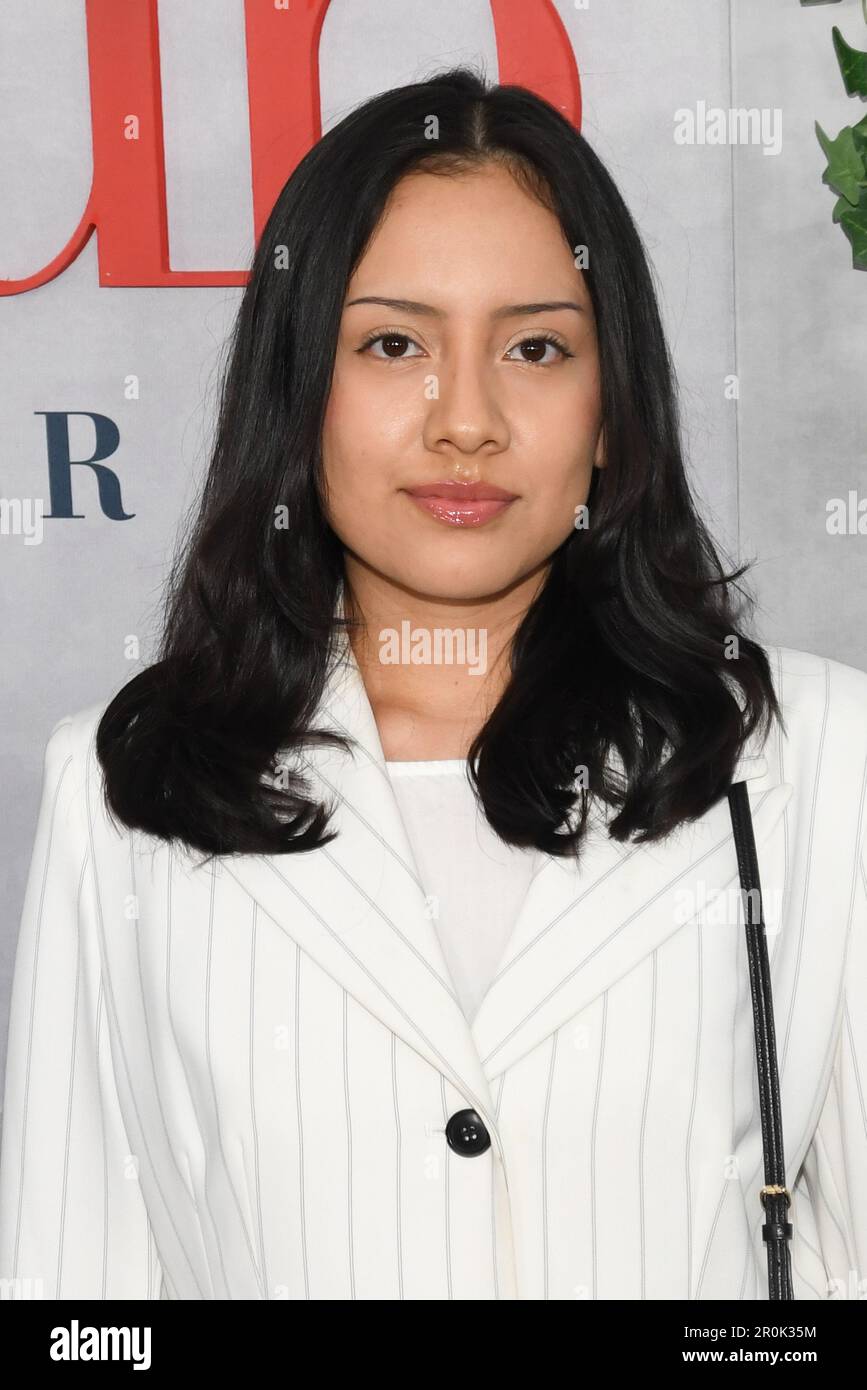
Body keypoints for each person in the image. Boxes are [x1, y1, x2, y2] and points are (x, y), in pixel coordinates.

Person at [1, 65, 865, 1302]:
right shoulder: (122, 788)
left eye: (536, 346)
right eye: (395, 342)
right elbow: (71, 1306)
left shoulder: (822, 758)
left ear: (612, 408)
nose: (466, 417)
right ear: (300, 393)